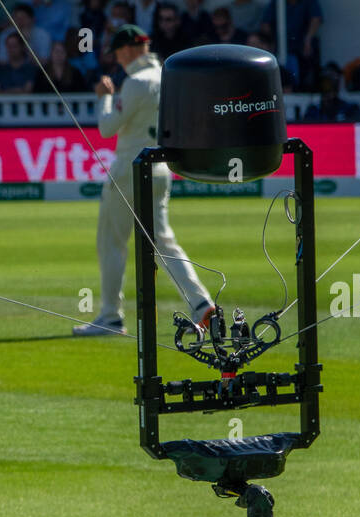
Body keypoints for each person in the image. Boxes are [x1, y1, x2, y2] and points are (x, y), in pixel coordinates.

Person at [81, 25, 215, 338]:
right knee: (164, 243)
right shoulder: (170, 78)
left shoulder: (137, 82)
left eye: (118, 53)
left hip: (130, 170)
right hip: (161, 168)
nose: (117, 59)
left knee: (112, 242)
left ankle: (110, 317)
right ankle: (201, 303)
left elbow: (106, 128)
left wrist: (104, 98)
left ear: (127, 50)